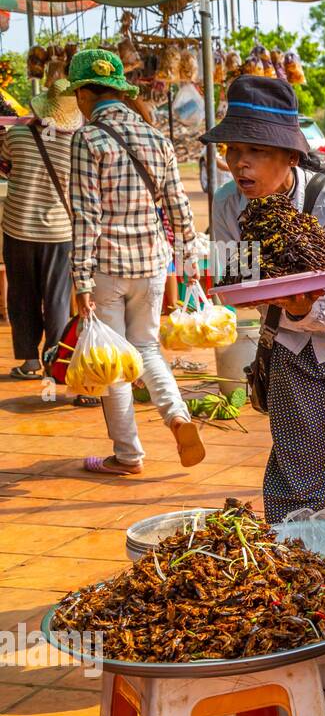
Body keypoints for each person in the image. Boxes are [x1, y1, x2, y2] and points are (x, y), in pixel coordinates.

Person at [205, 75, 325, 524]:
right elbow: (234, 276)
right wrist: (282, 305)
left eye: (255, 152)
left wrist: (303, 305)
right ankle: (301, 557)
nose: (240, 164)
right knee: (297, 459)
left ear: (290, 156)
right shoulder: (227, 204)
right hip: (290, 340)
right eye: (234, 151)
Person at [67, 49, 205, 476]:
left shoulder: (87, 139)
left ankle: (128, 455)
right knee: (146, 348)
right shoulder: (156, 138)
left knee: (113, 360)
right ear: (119, 92)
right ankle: (178, 416)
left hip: (108, 267)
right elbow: (178, 206)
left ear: (86, 95)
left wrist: (81, 280)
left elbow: (86, 215)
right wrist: (189, 258)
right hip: (152, 265)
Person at [2, 78, 79, 382]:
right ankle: (55, 361)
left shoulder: (17, 135)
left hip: (18, 229)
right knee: (58, 299)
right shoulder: (75, 144)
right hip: (60, 233)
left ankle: (30, 362)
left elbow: (5, 164)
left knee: (22, 297)